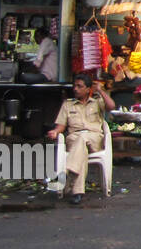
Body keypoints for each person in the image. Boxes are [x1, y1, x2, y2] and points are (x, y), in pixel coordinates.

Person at [47, 73, 115, 204]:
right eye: (74, 86)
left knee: (82, 139)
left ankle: (64, 172)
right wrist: (55, 132)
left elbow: (111, 106)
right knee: (80, 147)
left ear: (88, 89)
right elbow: (61, 126)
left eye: (79, 86)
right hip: (74, 138)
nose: (75, 89)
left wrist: (100, 90)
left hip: (94, 138)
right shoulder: (68, 104)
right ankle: (77, 193)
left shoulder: (97, 102)